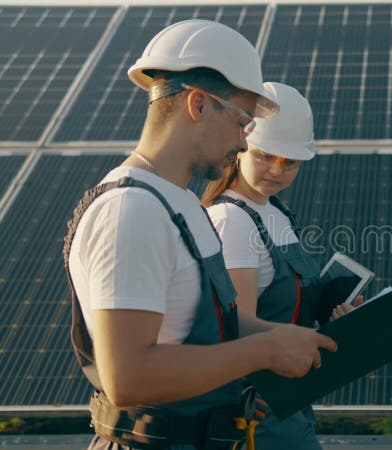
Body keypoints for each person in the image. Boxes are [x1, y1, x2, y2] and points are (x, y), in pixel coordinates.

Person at [63, 20, 336, 450]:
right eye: (243, 120)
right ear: (199, 105)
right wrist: (264, 353)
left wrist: (281, 337)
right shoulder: (131, 212)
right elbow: (128, 377)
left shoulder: (180, 204)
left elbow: (209, 324)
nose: (244, 143)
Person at [202, 83, 360, 449]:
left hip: (290, 402)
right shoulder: (231, 219)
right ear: (242, 147)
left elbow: (290, 312)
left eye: (289, 162)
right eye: (266, 155)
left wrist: (332, 317)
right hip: (257, 411)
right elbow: (236, 329)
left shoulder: (276, 213)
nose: (277, 170)